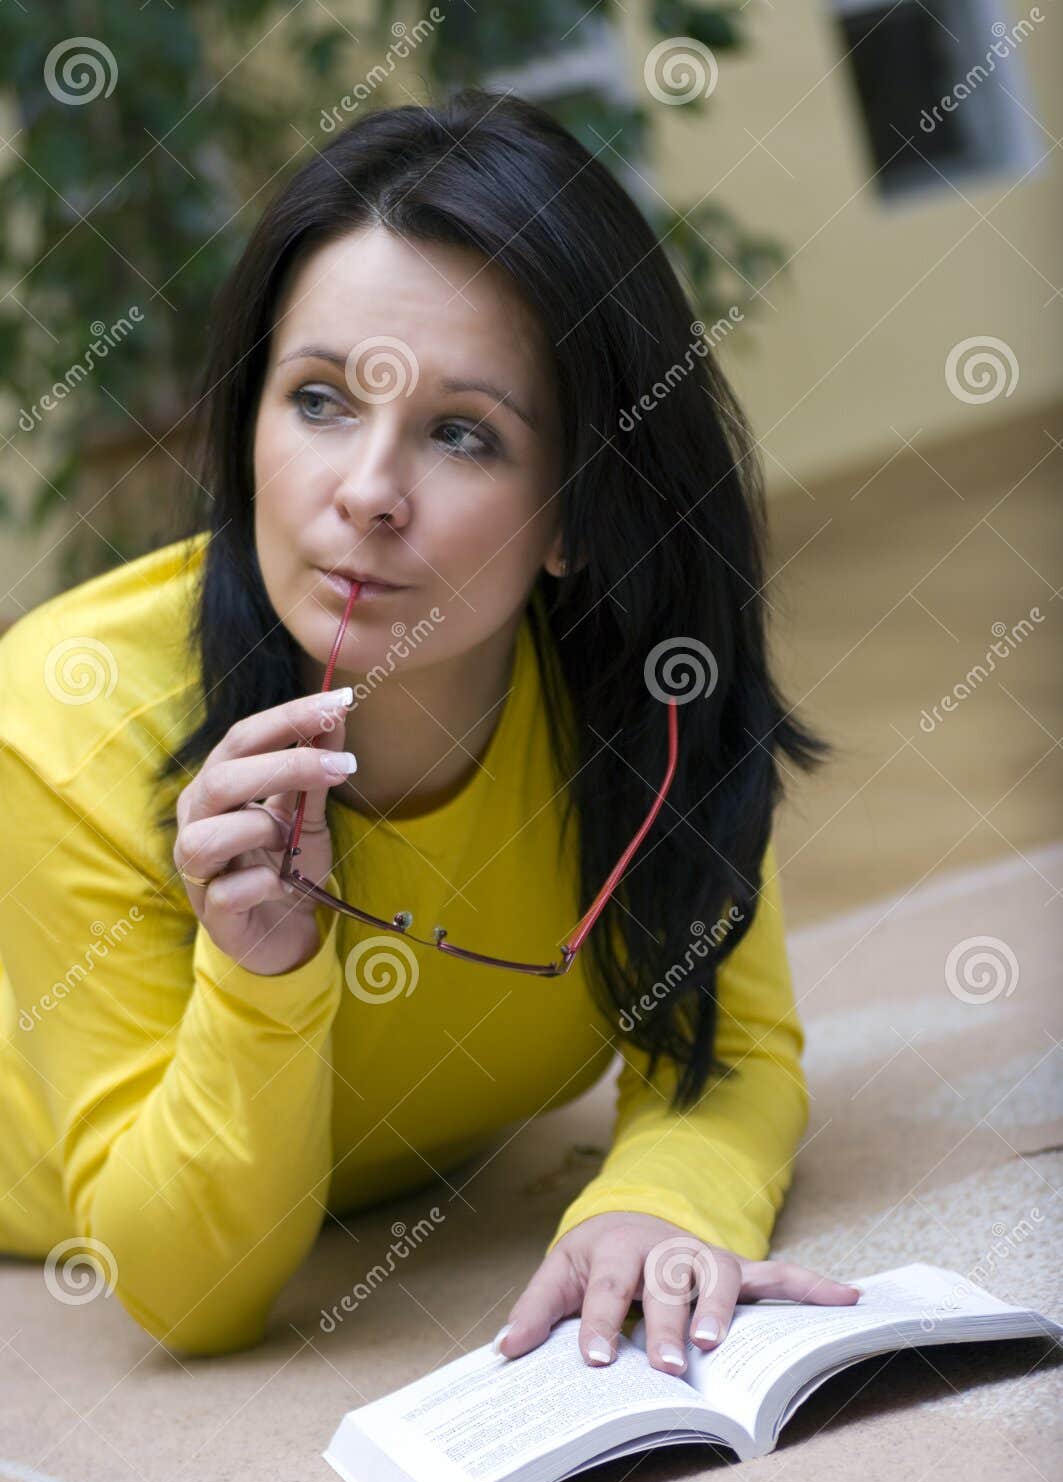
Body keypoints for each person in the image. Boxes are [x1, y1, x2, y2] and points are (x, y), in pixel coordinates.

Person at [0, 90, 859, 1362]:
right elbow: (187, 1295)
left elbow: (723, 1052)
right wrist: (260, 967)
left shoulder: (643, 695)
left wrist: (658, 1202)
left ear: (578, 511)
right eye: (319, 400)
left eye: (462, 434)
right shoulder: (66, 719)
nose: (366, 494)